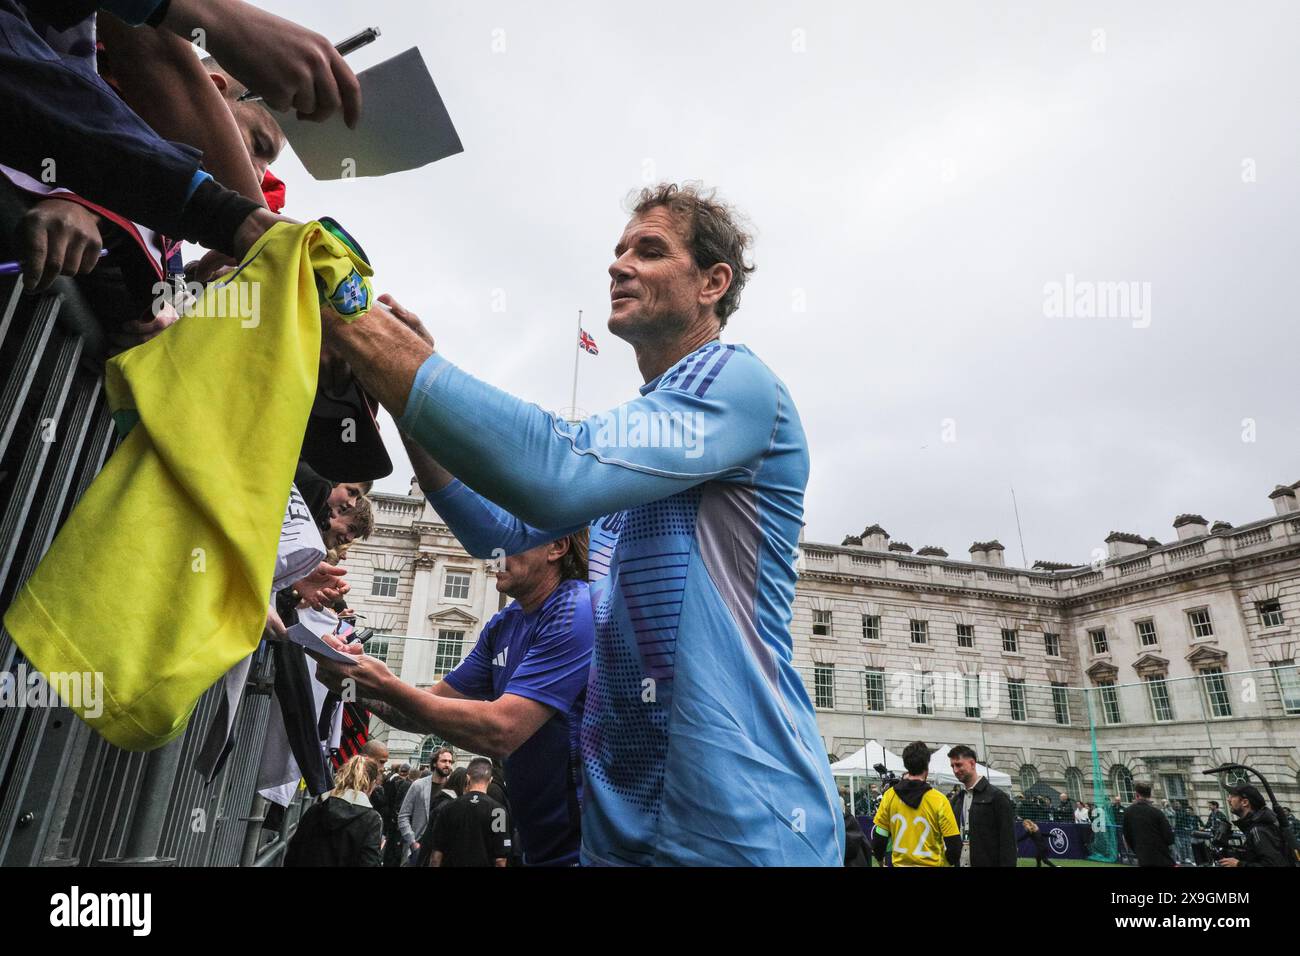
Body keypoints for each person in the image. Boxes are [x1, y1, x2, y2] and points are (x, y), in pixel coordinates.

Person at [314, 182, 843, 866]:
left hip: (743, 825)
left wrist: (354, 319)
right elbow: (497, 530)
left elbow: (557, 469)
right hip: (622, 834)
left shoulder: (734, 380)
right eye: (618, 251)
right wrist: (393, 384)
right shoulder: (647, 452)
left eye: (649, 250)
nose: (619, 265)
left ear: (714, 282)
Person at [319, 523, 593, 866]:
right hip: (535, 839)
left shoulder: (576, 609)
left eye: (511, 538)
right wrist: (352, 682)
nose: (495, 550)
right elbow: (416, 713)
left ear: (557, 546)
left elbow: (503, 731)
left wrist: (385, 682)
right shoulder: (503, 624)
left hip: (584, 842)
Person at [871, 741, 961, 867]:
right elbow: (954, 846)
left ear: (906, 765)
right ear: (927, 766)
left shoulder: (889, 796)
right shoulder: (939, 800)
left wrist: (880, 860)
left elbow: (880, 835)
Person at [284, 755, 383, 867]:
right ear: (372, 784)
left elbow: (293, 854)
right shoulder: (371, 820)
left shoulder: (316, 809)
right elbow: (369, 862)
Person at [429, 758, 510, 868]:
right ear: (490, 780)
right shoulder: (498, 811)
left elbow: (436, 855)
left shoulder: (448, 808)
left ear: (467, 778)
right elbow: (500, 860)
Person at [947, 744, 1016, 867]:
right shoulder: (957, 800)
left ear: (972, 764)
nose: (955, 770)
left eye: (958, 764)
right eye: (952, 766)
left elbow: (1008, 844)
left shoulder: (997, 797)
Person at [397, 747, 455, 865]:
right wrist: (412, 842)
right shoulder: (418, 785)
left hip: (441, 851)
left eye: (450, 762)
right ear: (434, 763)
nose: (447, 765)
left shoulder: (453, 788)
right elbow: (403, 815)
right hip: (418, 846)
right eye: (444, 761)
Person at [1219, 784, 1290, 867]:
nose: (1228, 799)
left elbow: (1273, 864)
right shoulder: (1256, 825)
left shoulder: (1259, 829)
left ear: (1245, 802)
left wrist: (1239, 864)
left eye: (1232, 796)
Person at [1122, 781, 1175, 867]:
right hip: (1161, 856)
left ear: (1137, 795)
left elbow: (1127, 835)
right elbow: (1169, 837)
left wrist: (1137, 849)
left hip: (1143, 856)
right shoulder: (1157, 812)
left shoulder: (1128, 812)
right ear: (1150, 795)